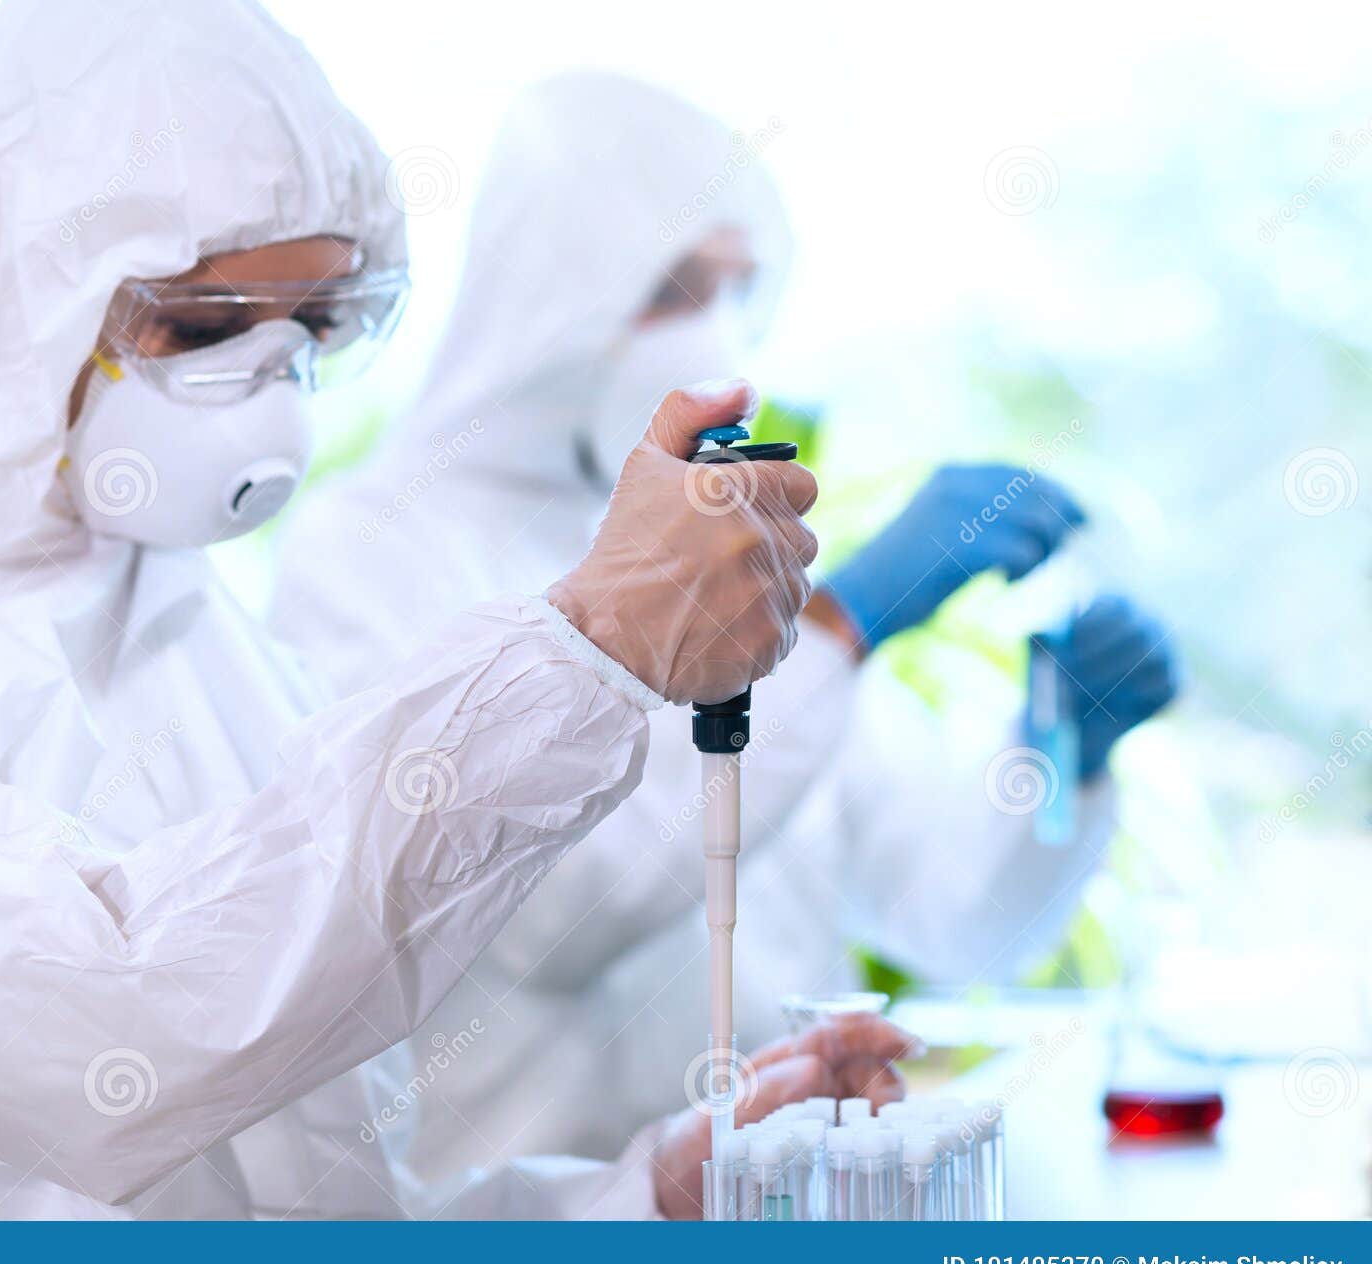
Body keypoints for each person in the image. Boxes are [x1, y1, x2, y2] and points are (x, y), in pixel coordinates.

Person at [0, 1, 857, 1219]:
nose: (270, 393)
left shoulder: (207, 640)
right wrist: (585, 651)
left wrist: (637, 1199)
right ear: (20, 298)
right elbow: (111, 1046)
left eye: (313, 329)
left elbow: (323, 1214)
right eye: (200, 326)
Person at [269, 72, 1178, 1175]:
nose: (719, 334)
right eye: (672, 288)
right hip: (535, 1226)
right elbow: (551, 915)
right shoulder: (374, 551)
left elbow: (950, 918)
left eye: (743, 290)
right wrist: (841, 624)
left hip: (774, 1206)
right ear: (544, 304)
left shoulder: (733, 547)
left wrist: (1060, 755)